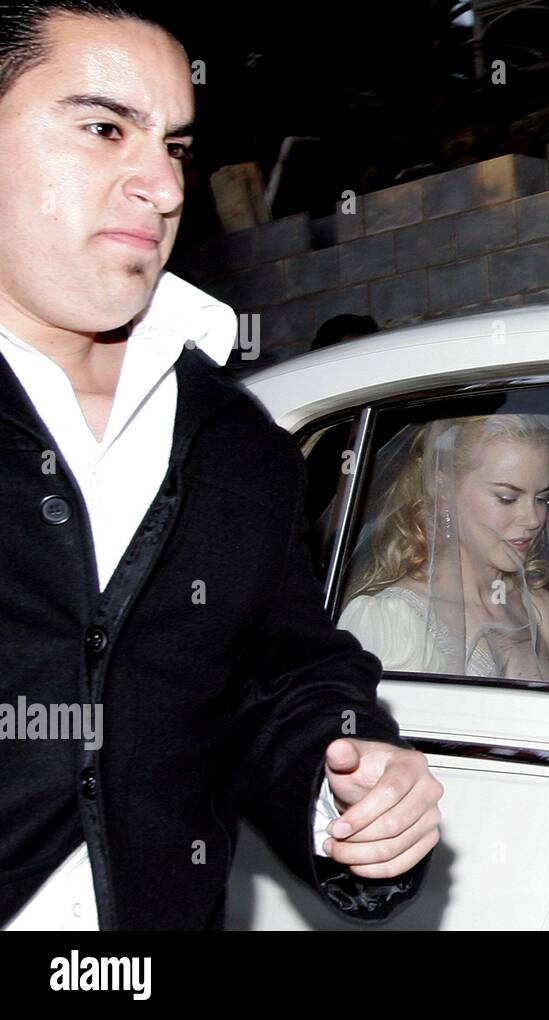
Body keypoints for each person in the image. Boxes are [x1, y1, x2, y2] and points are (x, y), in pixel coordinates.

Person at [0, 1, 441, 930]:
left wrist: (348, 783)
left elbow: (267, 677)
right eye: (104, 128)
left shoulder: (235, 440)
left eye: (177, 148)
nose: (161, 185)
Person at [338, 414, 549, 681]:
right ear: (444, 490)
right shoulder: (389, 621)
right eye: (507, 498)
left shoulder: (541, 611)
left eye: (542, 499)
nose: (533, 519)